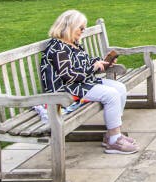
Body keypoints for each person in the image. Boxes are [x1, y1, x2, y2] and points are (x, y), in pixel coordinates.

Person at [39, 10, 138, 154]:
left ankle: (112, 133)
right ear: (69, 26)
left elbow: (84, 62)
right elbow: (68, 75)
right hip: (66, 90)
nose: (82, 31)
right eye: (80, 28)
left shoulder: (73, 44)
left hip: (81, 83)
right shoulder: (57, 47)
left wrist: (100, 62)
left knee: (120, 88)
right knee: (111, 95)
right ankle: (114, 141)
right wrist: (92, 68)